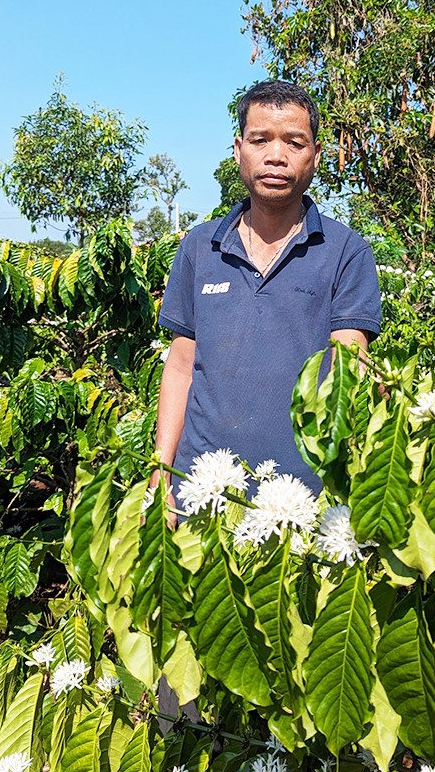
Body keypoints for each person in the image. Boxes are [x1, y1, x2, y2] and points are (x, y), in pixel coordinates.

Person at [152, 80, 382, 498]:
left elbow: (351, 369)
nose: (276, 156)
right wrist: (162, 470)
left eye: (295, 142)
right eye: (261, 139)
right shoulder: (199, 248)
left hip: (303, 497)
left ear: (314, 156)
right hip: (200, 490)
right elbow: (181, 366)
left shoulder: (347, 252)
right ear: (239, 150)